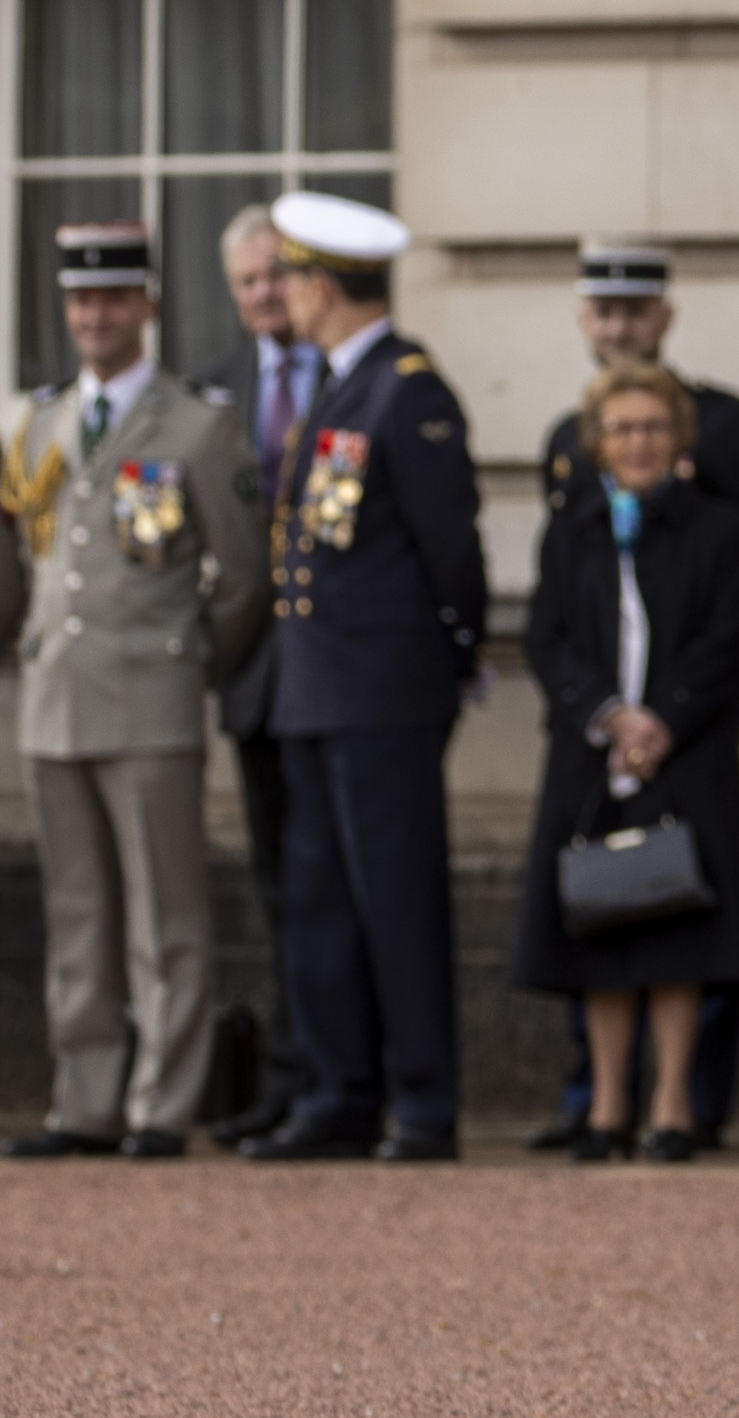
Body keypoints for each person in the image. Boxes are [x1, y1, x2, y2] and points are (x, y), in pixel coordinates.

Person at [0, 223, 269, 1160]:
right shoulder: (33, 423)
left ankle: (161, 1101)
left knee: (167, 915)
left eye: (114, 298)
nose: (95, 315)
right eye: (81, 299)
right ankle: (85, 1098)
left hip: (152, 694)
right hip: (55, 694)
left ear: (148, 305)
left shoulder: (197, 423)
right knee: (77, 915)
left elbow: (240, 578)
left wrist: (189, 660)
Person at [241, 193, 489, 1165]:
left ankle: (422, 1101)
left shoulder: (407, 388)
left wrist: (452, 660)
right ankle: (337, 1092)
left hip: (385, 691)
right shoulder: (344, 387)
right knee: (321, 904)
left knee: (396, 900)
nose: (283, 298)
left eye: (291, 279)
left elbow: (450, 556)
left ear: (318, 285)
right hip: (314, 688)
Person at [527, 240, 739, 1152]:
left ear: (664, 317)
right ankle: (594, 1102)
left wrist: (669, 719)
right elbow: (547, 631)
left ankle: (685, 1105)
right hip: (597, 742)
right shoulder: (568, 473)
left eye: (636, 310)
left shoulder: (727, 436)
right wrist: (608, 718)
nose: (620, 324)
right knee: (598, 915)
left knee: (685, 919)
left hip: (691, 734)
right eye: (604, 310)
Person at [195, 202, 326, 1145]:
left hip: (338, 673)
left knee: (337, 885)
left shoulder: (356, 373)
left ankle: (336, 1080)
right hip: (251, 674)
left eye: (277, 275)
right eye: (247, 281)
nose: (264, 294)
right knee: (279, 888)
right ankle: (284, 1082)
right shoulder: (211, 393)